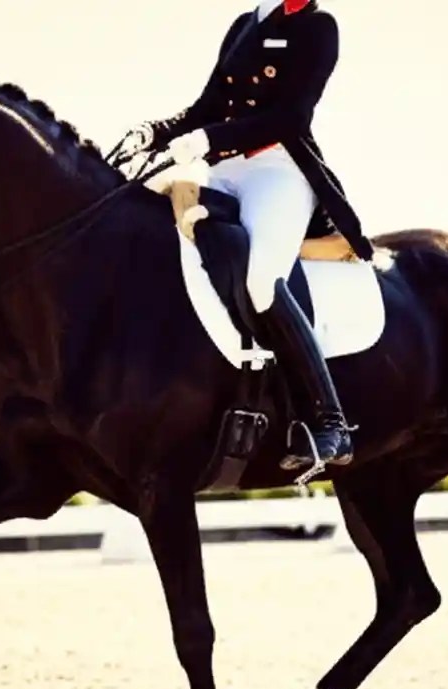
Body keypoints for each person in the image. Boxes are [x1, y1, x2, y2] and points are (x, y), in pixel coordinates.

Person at [120, 0, 371, 470]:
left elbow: (292, 116)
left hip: (278, 169)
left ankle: (330, 422)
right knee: (156, 233)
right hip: (223, 168)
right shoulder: (243, 25)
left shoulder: (317, 26)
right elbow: (207, 107)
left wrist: (208, 139)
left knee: (261, 280)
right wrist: (155, 132)